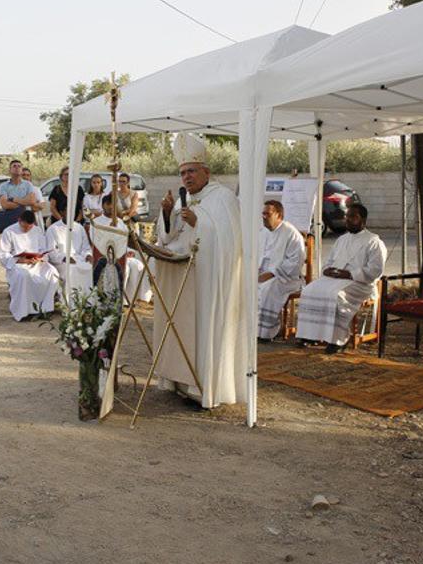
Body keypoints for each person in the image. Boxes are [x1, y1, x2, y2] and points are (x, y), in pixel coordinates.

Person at [153, 133, 250, 408]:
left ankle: (205, 385)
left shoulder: (223, 198)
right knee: (182, 326)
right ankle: (181, 380)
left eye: (192, 171)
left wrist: (200, 223)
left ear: (206, 172)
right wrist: (168, 213)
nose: (186, 177)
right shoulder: (185, 199)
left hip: (209, 281)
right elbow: (169, 238)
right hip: (182, 276)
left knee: (204, 329)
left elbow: (230, 241)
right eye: (183, 172)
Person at [294, 204, 387, 354]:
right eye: (347, 216)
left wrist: (350, 274)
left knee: (335, 296)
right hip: (335, 279)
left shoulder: (374, 242)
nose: (348, 220)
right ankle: (311, 335)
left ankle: (337, 339)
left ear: (363, 219)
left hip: (360, 283)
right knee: (309, 290)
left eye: (353, 217)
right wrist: (328, 270)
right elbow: (329, 261)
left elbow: (375, 270)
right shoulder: (342, 240)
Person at [255, 200, 306, 342]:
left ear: (279, 215)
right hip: (263, 274)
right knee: (243, 285)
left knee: (267, 289)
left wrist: (271, 274)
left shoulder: (291, 233)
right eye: (263, 213)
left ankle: (266, 333)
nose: (264, 216)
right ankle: (251, 329)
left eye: (268, 213)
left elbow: (295, 262)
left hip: (287, 278)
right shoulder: (263, 232)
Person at [0, 210, 59, 321]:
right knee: (24, 275)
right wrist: (19, 260)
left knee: (52, 273)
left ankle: (46, 309)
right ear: (19, 220)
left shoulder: (38, 230)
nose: (27, 230)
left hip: (36, 263)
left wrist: (40, 258)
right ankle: (24, 312)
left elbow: (44, 249)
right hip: (18, 264)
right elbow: (3, 254)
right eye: (24, 227)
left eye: (29, 227)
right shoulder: (9, 231)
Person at [46, 200, 93, 298]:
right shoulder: (53, 229)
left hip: (79, 259)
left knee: (89, 268)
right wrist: (65, 258)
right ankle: (70, 302)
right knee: (71, 269)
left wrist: (88, 255)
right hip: (61, 262)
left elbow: (86, 247)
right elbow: (51, 252)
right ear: (62, 212)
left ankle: (87, 301)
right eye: (68, 211)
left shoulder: (79, 228)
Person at [0, 159, 38, 233]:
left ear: (21, 170)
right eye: (14, 166)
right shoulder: (3, 186)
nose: (17, 167)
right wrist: (25, 201)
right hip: (10, 220)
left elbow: (32, 201)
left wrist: (13, 199)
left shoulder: (28, 184)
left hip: (27, 221)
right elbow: (5, 205)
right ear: (10, 170)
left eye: (19, 166)